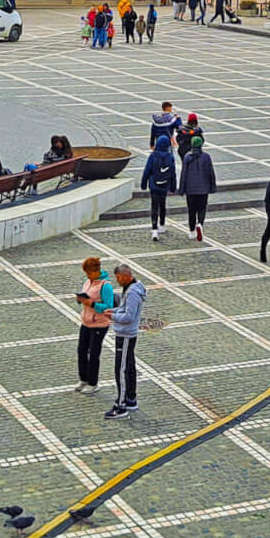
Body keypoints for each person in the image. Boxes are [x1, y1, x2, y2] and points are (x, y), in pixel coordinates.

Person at [105, 263, 146, 419]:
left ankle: (121, 406)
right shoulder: (129, 289)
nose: (118, 281)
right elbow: (124, 308)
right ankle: (131, 399)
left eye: (118, 278)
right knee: (128, 367)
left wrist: (112, 316)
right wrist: (114, 311)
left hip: (126, 335)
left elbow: (128, 316)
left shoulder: (132, 293)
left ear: (125, 276)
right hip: (126, 334)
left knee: (121, 369)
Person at [74, 255, 116, 393]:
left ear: (97, 270)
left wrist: (91, 303)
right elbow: (85, 296)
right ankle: (83, 379)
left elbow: (108, 306)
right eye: (86, 273)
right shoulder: (88, 282)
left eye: (90, 273)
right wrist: (80, 299)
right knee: (81, 351)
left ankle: (93, 383)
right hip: (86, 322)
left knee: (93, 353)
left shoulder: (106, 286)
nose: (88, 276)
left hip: (99, 324)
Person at [139, 134, 177, 241]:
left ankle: (154, 230)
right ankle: (162, 225)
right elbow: (173, 173)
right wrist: (173, 186)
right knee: (163, 204)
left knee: (154, 206)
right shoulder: (170, 156)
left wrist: (143, 184)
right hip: (164, 185)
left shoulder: (153, 156)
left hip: (154, 185)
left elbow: (147, 171)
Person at [180, 133, 217, 241]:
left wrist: (181, 189)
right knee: (202, 208)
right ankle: (200, 224)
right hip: (203, 189)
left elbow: (184, 174)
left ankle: (192, 231)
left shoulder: (187, 157)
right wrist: (212, 186)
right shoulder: (206, 157)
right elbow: (211, 172)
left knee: (191, 210)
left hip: (190, 190)